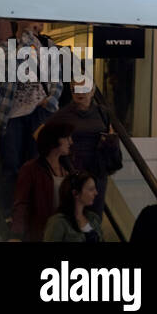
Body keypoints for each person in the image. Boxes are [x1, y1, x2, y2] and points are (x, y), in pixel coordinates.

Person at [0, 21, 64, 216]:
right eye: (36, 22)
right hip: (13, 114)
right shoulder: (3, 48)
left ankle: (35, 213)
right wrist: (25, 42)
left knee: (37, 164)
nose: (40, 26)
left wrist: (50, 102)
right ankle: (12, 214)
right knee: (11, 165)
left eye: (41, 23)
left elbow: (57, 79)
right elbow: (6, 74)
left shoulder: (47, 46)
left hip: (38, 112)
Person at [53, 80, 116, 220]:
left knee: (95, 215)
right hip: (73, 172)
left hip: (97, 171)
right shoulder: (63, 114)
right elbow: (45, 137)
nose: (79, 92)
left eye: (84, 88)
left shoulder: (102, 112)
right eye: (75, 88)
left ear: (93, 90)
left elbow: (109, 134)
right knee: (72, 215)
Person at [9, 118, 74, 241]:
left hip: (65, 232)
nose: (70, 142)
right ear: (54, 140)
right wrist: (16, 235)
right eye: (66, 137)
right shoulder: (31, 169)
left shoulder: (67, 169)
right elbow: (21, 203)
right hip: (43, 233)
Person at [43, 170, 102, 242]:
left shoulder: (94, 218)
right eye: (91, 189)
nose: (96, 193)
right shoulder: (58, 222)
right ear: (75, 193)